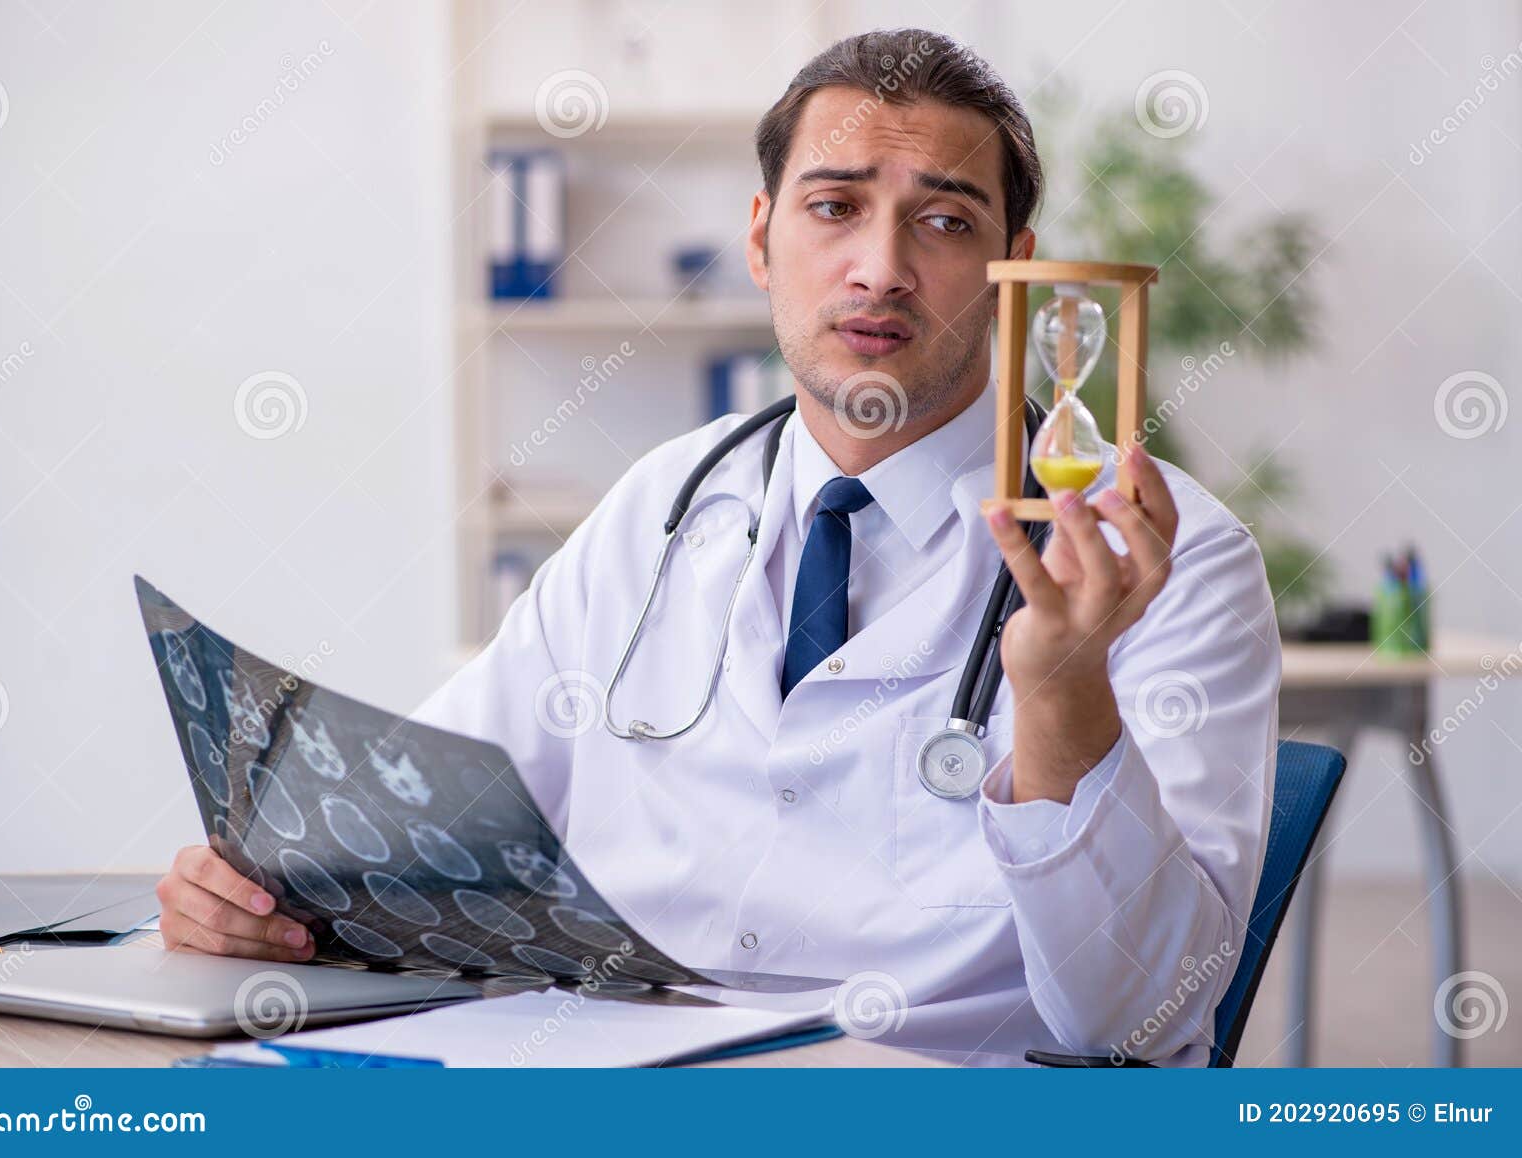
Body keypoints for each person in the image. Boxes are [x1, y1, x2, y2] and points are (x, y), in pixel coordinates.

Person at [155, 27, 1280, 1067]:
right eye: (834, 207)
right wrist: (269, 896)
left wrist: (1063, 707)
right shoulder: (664, 503)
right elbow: (437, 835)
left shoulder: (1171, 560)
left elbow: (1145, 1022)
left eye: (943, 221)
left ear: (1014, 270)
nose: (880, 267)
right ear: (760, 237)